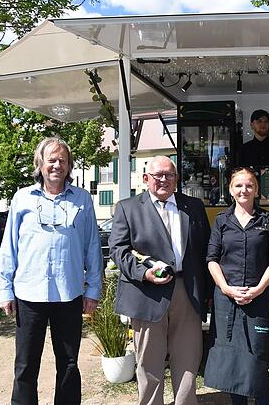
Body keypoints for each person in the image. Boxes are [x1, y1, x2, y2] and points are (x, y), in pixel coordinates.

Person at [0, 137, 102, 405]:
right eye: (51, 160)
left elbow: (92, 247)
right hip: (29, 295)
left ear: (69, 166)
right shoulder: (22, 199)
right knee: (25, 365)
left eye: (62, 161)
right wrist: (5, 289)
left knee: (68, 364)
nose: (56, 165)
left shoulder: (82, 200)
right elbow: (9, 247)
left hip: (69, 294)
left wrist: (93, 290)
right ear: (40, 164)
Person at [109, 156, 210, 405]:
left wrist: (207, 292)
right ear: (146, 179)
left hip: (187, 291)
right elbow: (118, 250)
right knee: (149, 362)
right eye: (158, 175)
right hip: (147, 294)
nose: (164, 179)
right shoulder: (127, 208)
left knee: (188, 358)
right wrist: (144, 273)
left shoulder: (194, 206)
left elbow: (205, 249)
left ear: (176, 179)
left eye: (169, 175)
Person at [203, 167, 269, 405]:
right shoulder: (221, 221)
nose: (244, 190)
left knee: (257, 354)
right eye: (238, 185)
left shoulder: (268, 221)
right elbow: (211, 259)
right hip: (227, 300)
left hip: (258, 298)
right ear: (230, 189)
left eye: (249, 185)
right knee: (233, 357)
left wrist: (258, 289)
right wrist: (227, 289)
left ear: (256, 190)